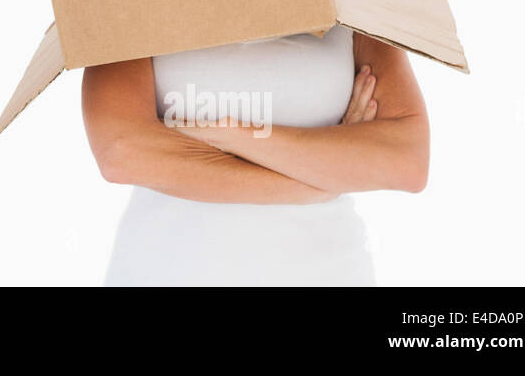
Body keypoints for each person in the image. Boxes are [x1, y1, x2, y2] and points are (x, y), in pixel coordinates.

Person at [82, 26, 429, 285]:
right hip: (168, 271)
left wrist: (235, 134)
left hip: (325, 271)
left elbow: (406, 160)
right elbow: (121, 152)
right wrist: (315, 181)